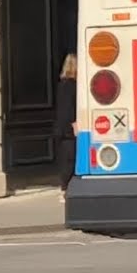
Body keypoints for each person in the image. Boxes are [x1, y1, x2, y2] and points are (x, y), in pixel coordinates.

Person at [54, 53, 78, 201]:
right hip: (69, 128)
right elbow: (69, 108)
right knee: (70, 159)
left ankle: (64, 187)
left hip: (60, 127)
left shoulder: (61, 84)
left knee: (65, 159)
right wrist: (74, 124)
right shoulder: (72, 85)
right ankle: (66, 188)